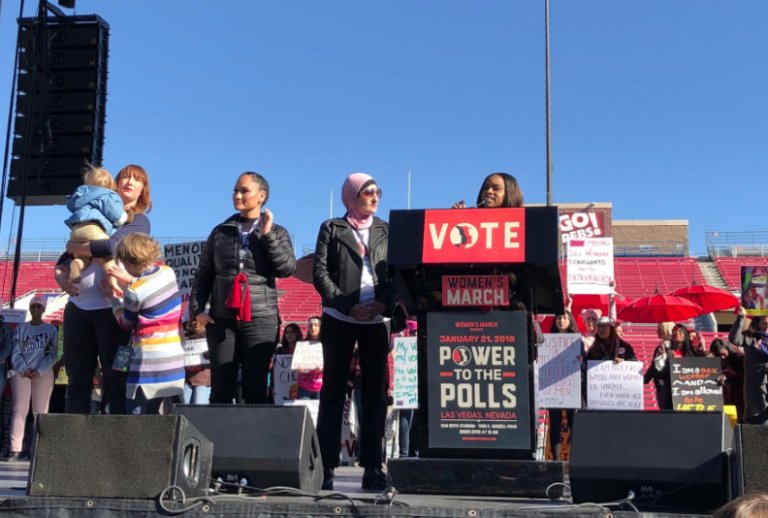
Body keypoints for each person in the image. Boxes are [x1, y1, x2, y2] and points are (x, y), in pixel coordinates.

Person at [313, 173, 393, 491]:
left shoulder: (387, 229)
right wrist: (346, 306)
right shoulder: (332, 228)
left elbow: (397, 274)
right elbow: (320, 271)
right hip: (338, 317)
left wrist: (383, 304)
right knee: (333, 392)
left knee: (375, 396)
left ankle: (374, 467)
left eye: (378, 192)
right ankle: (325, 467)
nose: (375, 197)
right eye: (368, 192)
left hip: (377, 321)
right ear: (352, 195)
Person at [54, 164, 152, 415]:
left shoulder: (139, 221)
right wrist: (58, 272)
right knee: (77, 382)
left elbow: (110, 246)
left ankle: (112, 448)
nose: (129, 182)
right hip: (78, 309)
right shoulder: (94, 212)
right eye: (125, 177)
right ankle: (72, 446)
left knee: (116, 379)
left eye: (137, 180)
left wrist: (72, 244)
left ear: (143, 190)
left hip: (115, 313)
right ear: (112, 185)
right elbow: (67, 256)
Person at [190, 172, 296, 405]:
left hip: (261, 318)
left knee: (255, 389)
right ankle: (217, 441)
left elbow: (286, 269)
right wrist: (197, 310)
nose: (237, 195)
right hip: (221, 319)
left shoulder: (277, 232)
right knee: (220, 390)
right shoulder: (221, 231)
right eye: (235, 190)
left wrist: (267, 236)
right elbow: (203, 274)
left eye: (244, 190)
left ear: (261, 196)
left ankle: (253, 442)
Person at [100, 233, 185, 414]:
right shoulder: (167, 272)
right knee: (154, 413)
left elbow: (126, 323)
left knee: (136, 414)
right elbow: (151, 284)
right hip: (172, 358)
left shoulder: (135, 292)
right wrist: (131, 279)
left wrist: (114, 301)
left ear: (129, 264)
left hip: (148, 362)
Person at [6, 296, 57, 461]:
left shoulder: (51, 330)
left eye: (38, 307)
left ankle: (38, 449)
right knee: (19, 410)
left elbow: (54, 354)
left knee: (40, 412)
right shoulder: (21, 328)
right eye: (33, 306)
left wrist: (40, 370)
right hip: (23, 372)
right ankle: (15, 449)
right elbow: (15, 352)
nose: (35, 309)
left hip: (43, 373)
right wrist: (24, 369)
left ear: (43, 309)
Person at [65, 167, 129, 296]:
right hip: (94, 229)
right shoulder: (106, 195)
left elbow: (71, 207)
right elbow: (118, 218)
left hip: (76, 232)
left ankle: (77, 263)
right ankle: (112, 282)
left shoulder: (80, 195)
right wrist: (126, 216)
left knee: (83, 257)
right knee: (107, 259)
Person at [547, 311, 579, 461]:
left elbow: (584, 363)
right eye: (559, 317)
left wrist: (580, 362)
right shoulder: (547, 340)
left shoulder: (577, 341)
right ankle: (556, 460)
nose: (561, 320)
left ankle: (576, 459)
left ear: (570, 321)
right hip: (553, 388)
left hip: (572, 388)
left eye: (565, 318)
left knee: (574, 423)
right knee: (555, 423)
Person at [730, 307, 768, 425]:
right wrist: (741, 318)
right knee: (758, 430)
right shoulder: (750, 339)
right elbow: (734, 338)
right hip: (755, 390)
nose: (767, 327)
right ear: (757, 323)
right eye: (764, 323)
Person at [644, 324, 695, 410]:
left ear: (685, 335)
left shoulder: (691, 353)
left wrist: (703, 348)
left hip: (689, 394)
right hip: (669, 394)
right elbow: (659, 372)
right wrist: (661, 356)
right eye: (674, 331)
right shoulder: (666, 352)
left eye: (680, 331)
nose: (677, 333)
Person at [710, 338, 745, 421]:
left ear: (728, 349)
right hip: (724, 398)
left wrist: (731, 374)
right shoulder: (715, 362)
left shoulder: (739, 358)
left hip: (738, 396)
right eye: (718, 355)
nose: (722, 357)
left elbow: (746, 375)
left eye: (723, 354)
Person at [452, 172, 524, 209]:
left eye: (496, 188)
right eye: (485, 188)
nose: (489, 191)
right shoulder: (472, 222)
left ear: (510, 193)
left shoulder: (523, 222)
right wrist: (459, 218)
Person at [183, 320, 211, 405]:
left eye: (200, 320)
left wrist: (212, 353)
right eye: (194, 320)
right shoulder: (184, 336)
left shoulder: (211, 335)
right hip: (186, 378)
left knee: (199, 405)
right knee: (185, 406)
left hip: (204, 378)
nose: (197, 323)